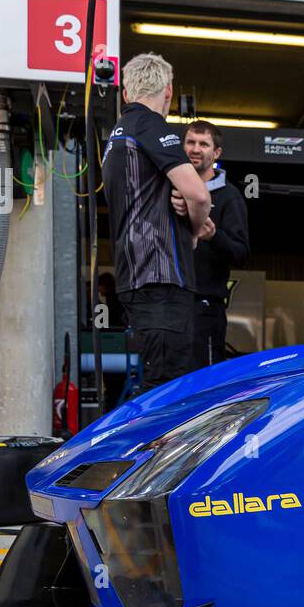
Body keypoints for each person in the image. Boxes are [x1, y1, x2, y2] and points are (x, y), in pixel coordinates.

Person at [101, 52, 211, 390]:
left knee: (156, 380)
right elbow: (199, 195)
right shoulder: (150, 125)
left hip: (133, 276)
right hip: (162, 275)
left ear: (124, 93)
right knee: (168, 389)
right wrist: (193, 231)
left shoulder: (115, 137)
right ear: (168, 92)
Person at [177, 120, 250, 369]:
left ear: (216, 153)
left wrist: (214, 236)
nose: (196, 149)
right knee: (165, 384)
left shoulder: (230, 197)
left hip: (205, 309)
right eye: (190, 142)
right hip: (169, 303)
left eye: (203, 144)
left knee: (204, 388)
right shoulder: (169, 188)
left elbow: (241, 254)